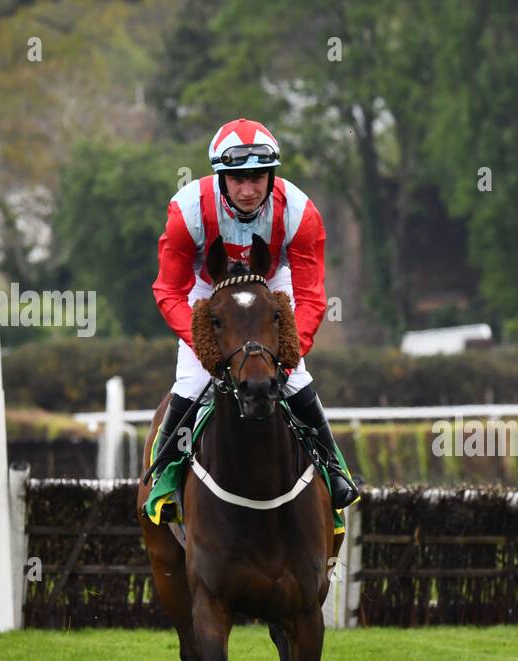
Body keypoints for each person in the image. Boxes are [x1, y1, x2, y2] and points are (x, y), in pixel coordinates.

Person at [149, 117, 360, 520]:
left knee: (296, 379)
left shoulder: (301, 213)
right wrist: (206, 346)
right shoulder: (187, 211)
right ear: (221, 177)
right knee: (192, 380)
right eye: (237, 179)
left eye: (257, 178)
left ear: (271, 175)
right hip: (207, 285)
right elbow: (169, 291)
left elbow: (313, 296)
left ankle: (334, 470)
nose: (248, 190)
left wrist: (290, 353)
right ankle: (161, 479)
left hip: (270, 279)